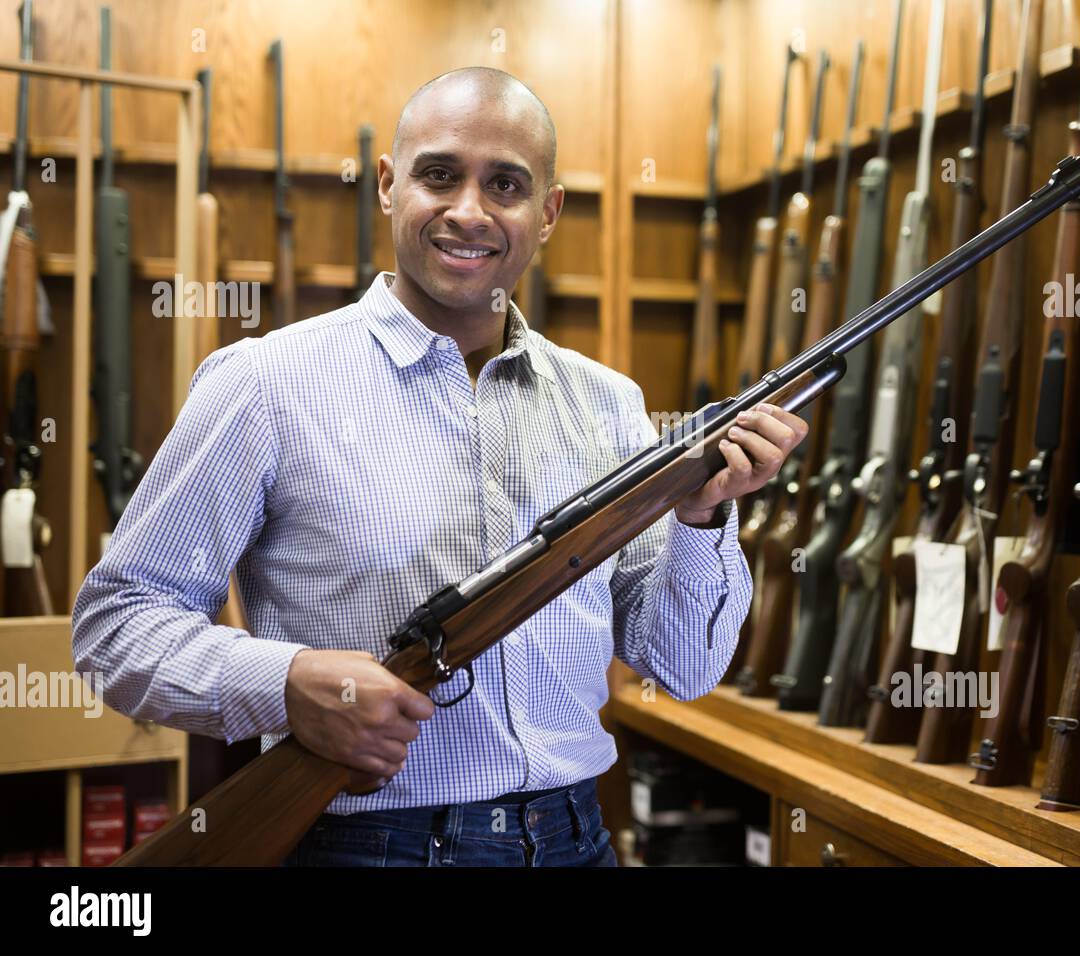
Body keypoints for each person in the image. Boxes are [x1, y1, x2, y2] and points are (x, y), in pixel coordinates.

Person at [72, 67, 807, 867]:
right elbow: (117, 626)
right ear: (388, 186)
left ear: (548, 212)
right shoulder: (266, 384)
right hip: (368, 848)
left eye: (507, 184)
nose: (469, 211)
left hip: (577, 840)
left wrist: (703, 519)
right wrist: (285, 683)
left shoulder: (609, 404)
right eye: (440, 175)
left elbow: (683, 667)